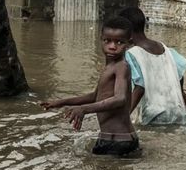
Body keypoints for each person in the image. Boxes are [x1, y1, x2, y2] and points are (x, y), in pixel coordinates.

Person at [40, 17, 139, 156]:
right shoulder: (110, 66)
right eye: (107, 40)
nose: (112, 46)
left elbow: (120, 98)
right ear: (101, 39)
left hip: (117, 141)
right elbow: (95, 96)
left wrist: (84, 109)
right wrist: (60, 102)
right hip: (118, 139)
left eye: (119, 42)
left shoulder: (121, 66)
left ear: (129, 43)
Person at [119, 7, 186, 126]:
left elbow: (139, 88)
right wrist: (185, 106)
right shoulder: (168, 50)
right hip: (178, 114)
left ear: (127, 33)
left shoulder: (131, 55)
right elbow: (180, 79)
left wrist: (122, 119)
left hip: (153, 117)